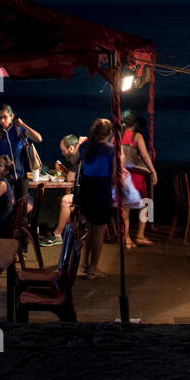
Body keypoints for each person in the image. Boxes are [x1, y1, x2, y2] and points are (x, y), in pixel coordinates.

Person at [76, 118, 116, 279]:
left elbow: (73, 160)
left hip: (87, 190)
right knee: (100, 231)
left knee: (90, 229)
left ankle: (85, 263)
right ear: (109, 133)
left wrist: (79, 144)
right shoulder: (110, 149)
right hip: (101, 190)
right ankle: (93, 268)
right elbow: (114, 172)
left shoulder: (86, 146)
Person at [0, 105, 42, 207]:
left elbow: (38, 139)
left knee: (22, 209)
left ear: (12, 116)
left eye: (5, 117)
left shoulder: (19, 130)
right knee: (6, 207)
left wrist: (23, 124)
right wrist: (0, 158)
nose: (2, 121)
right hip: (4, 178)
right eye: (0, 118)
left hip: (21, 175)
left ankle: (22, 223)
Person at [119, 111, 158, 248]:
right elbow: (145, 156)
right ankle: (140, 235)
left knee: (125, 208)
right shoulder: (137, 136)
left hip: (121, 175)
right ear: (135, 123)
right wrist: (153, 172)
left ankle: (127, 238)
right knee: (146, 204)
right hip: (135, 175)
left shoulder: (117, 135)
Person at [45, 134, 83, 247]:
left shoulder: (79, 157)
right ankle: (69, 232)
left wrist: (64, 172)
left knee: (65, 200)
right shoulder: (77, 158)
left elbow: (71, 178)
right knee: (60, 200)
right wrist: (64, 170)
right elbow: (73, 175)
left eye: (63, 150)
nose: (62, 153)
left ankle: (57, 234)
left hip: (88, 194)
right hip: (83, 191)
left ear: (71, 148)